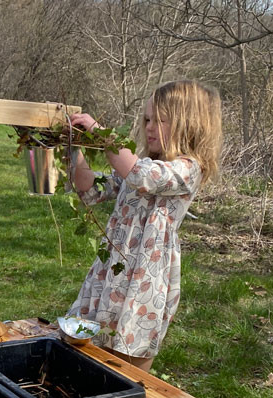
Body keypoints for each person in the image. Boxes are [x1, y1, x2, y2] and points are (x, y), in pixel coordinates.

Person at [67, 80, 222, 373]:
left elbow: (141, 175)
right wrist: (73, 145)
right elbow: (90, 187)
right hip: (111, 270)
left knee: (128, 361)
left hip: (145, 278)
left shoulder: (188, 169)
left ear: (189, 125)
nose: (150, 127)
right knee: (86, 348)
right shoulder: (142, 163)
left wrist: (101, 134)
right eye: (148, 119)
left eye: (161, 120)